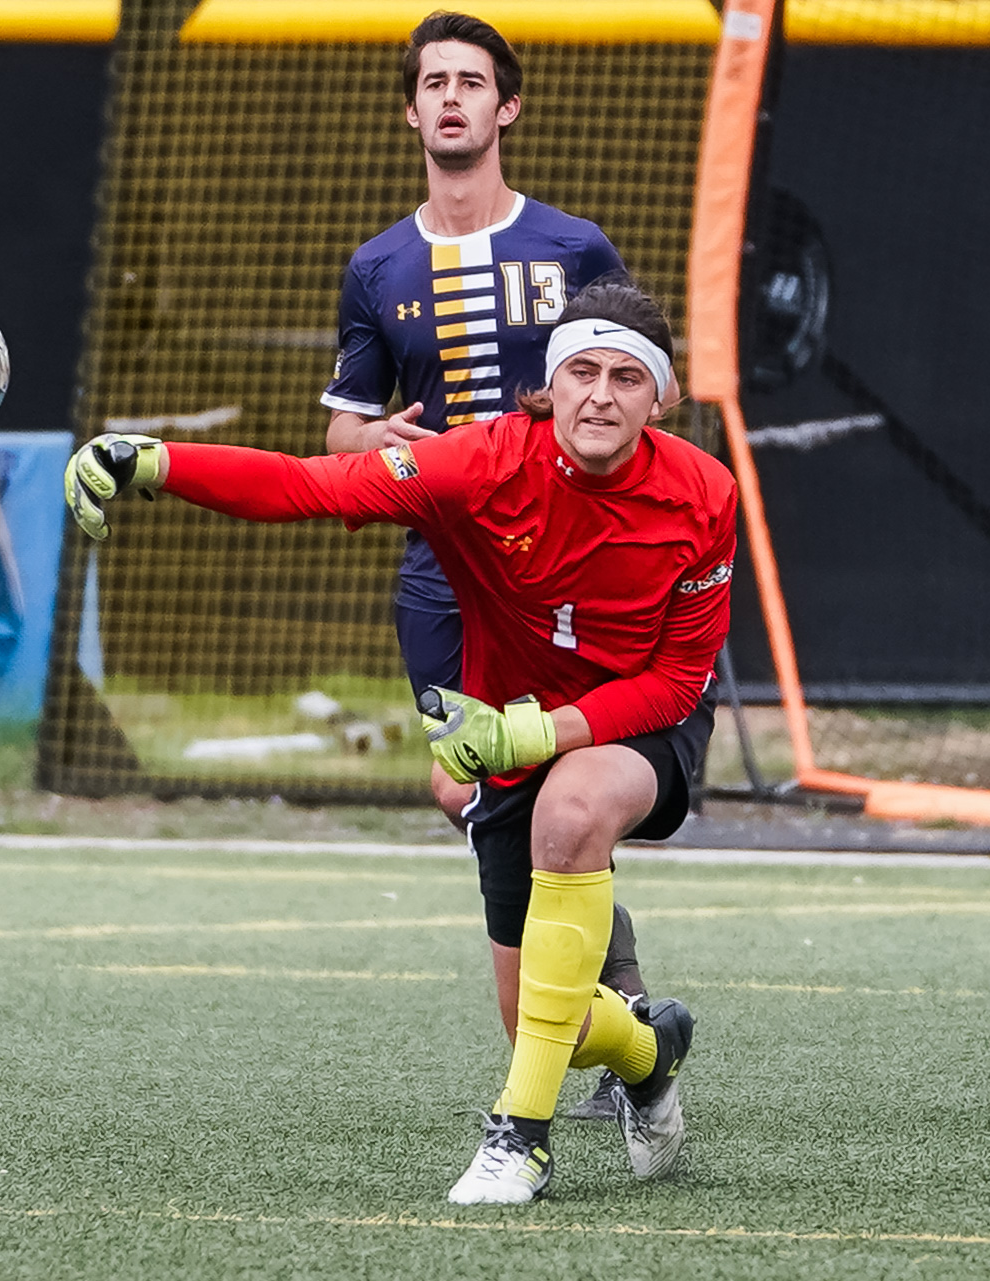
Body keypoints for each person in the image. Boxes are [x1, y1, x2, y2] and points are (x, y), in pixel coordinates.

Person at [66, 277, 736, 1203]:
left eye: (627, 378)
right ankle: (649, 1049)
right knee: (550, 1024)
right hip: (512, 738)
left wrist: (541, 729)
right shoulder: (479, 463)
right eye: (582, 370)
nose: (601, 395)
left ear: (659, 399)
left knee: (573, 804)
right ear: (550, 381)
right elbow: (306, 484)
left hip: (634, 724)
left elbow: (675, 678)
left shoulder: (704, 493)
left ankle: (522, 1142)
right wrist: (153, 460)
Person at [321, 9, 652, 1119]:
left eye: (472, 81)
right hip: (439, 569)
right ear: (410, 108)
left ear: (506, 107)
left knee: (544, 782)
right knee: (460, 784)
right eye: (434, 82)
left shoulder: (573, 248)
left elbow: (631, 390)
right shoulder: (375, 265)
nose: (452, 97)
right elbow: (343, 436)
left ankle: (591, 1022)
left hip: (560, 567)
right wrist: (381, 444)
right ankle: (616, 999)